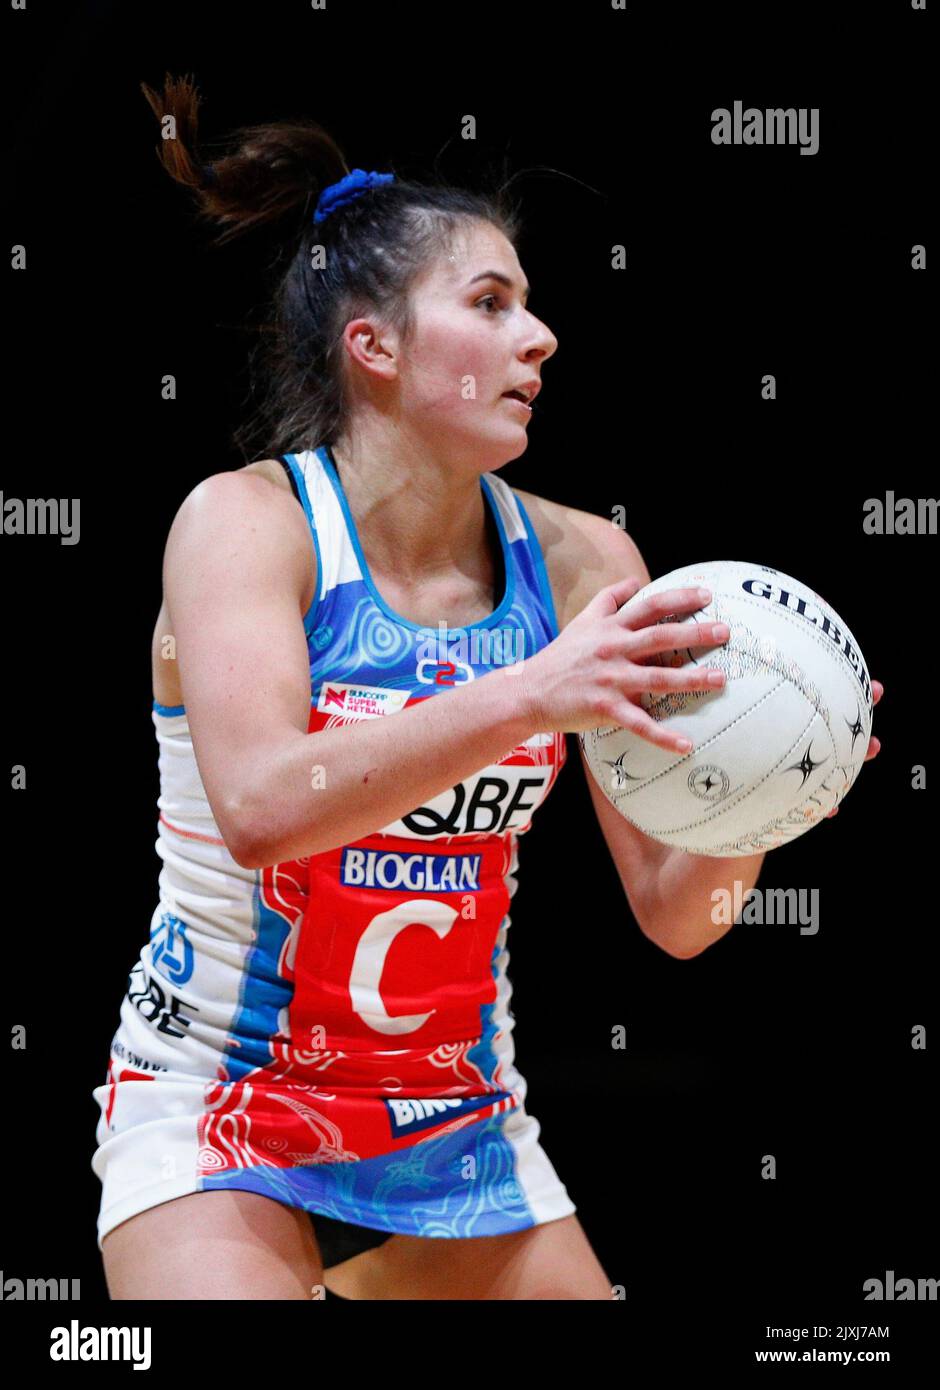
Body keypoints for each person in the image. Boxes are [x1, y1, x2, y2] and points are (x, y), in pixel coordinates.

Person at [92, 76, 884, 1301]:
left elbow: (681, 919)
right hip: (225, 1091)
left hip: (452, 1116)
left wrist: (771, 795)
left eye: (533, 304)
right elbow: (257, 808)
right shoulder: (246, 525)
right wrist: (528, 696)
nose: (540, 335)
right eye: (492, 302)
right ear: (378, 346)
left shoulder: (581, 566)